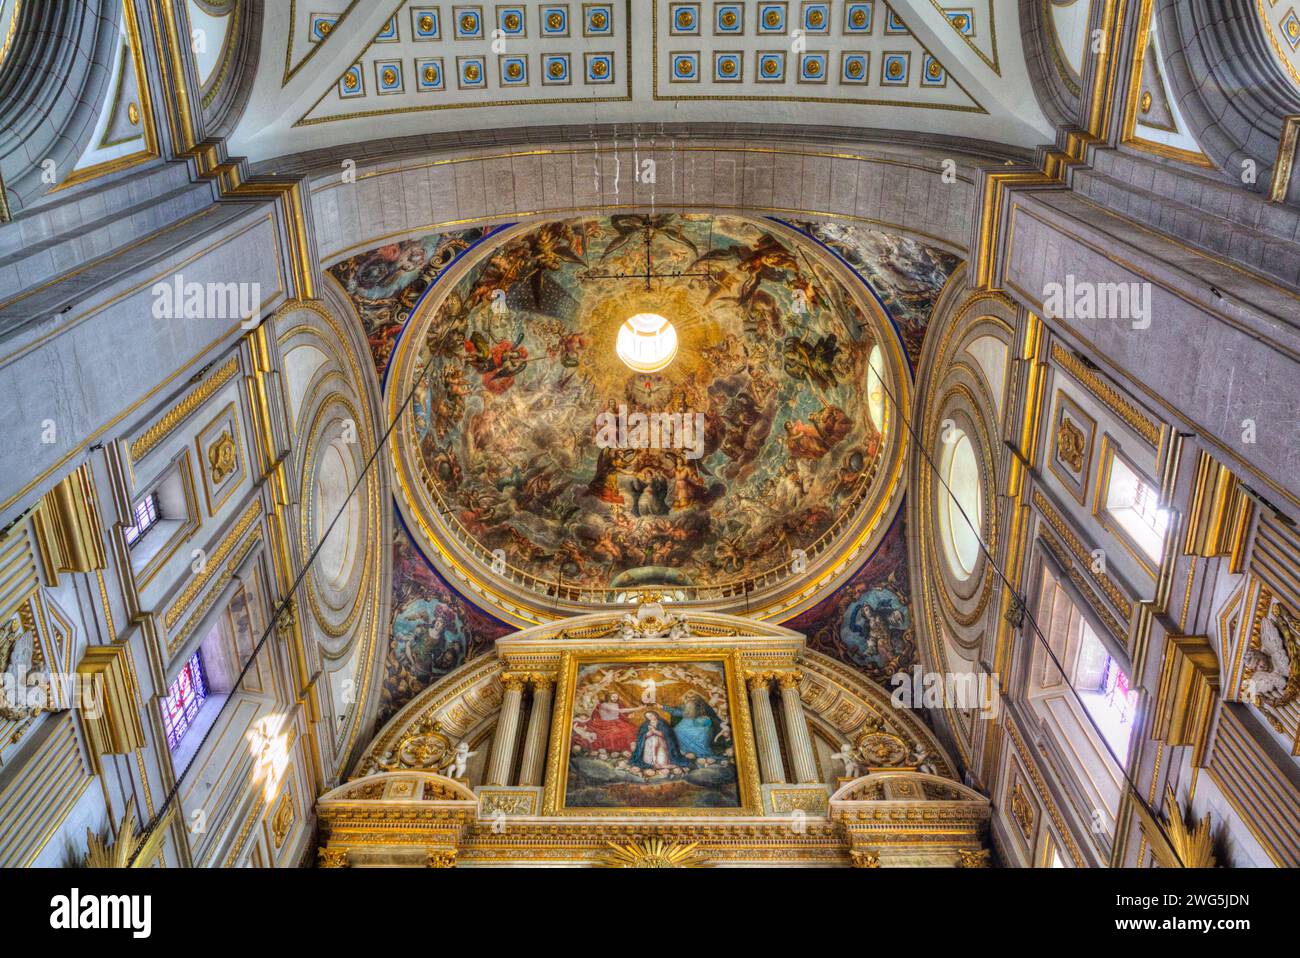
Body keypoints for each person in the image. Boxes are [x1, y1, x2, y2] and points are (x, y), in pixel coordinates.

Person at [572, 693, 639, 754]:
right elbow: (620, 711)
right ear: (609, 696)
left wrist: (629, 716)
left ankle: (629, 749)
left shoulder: (618, 704)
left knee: (630, 730)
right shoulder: (604, 705)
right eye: (613, 696)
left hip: (617, 722)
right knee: (611, 735)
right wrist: (638, 708)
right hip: (605, 724)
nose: (615, 698)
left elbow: (622, 714)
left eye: (616, 697)